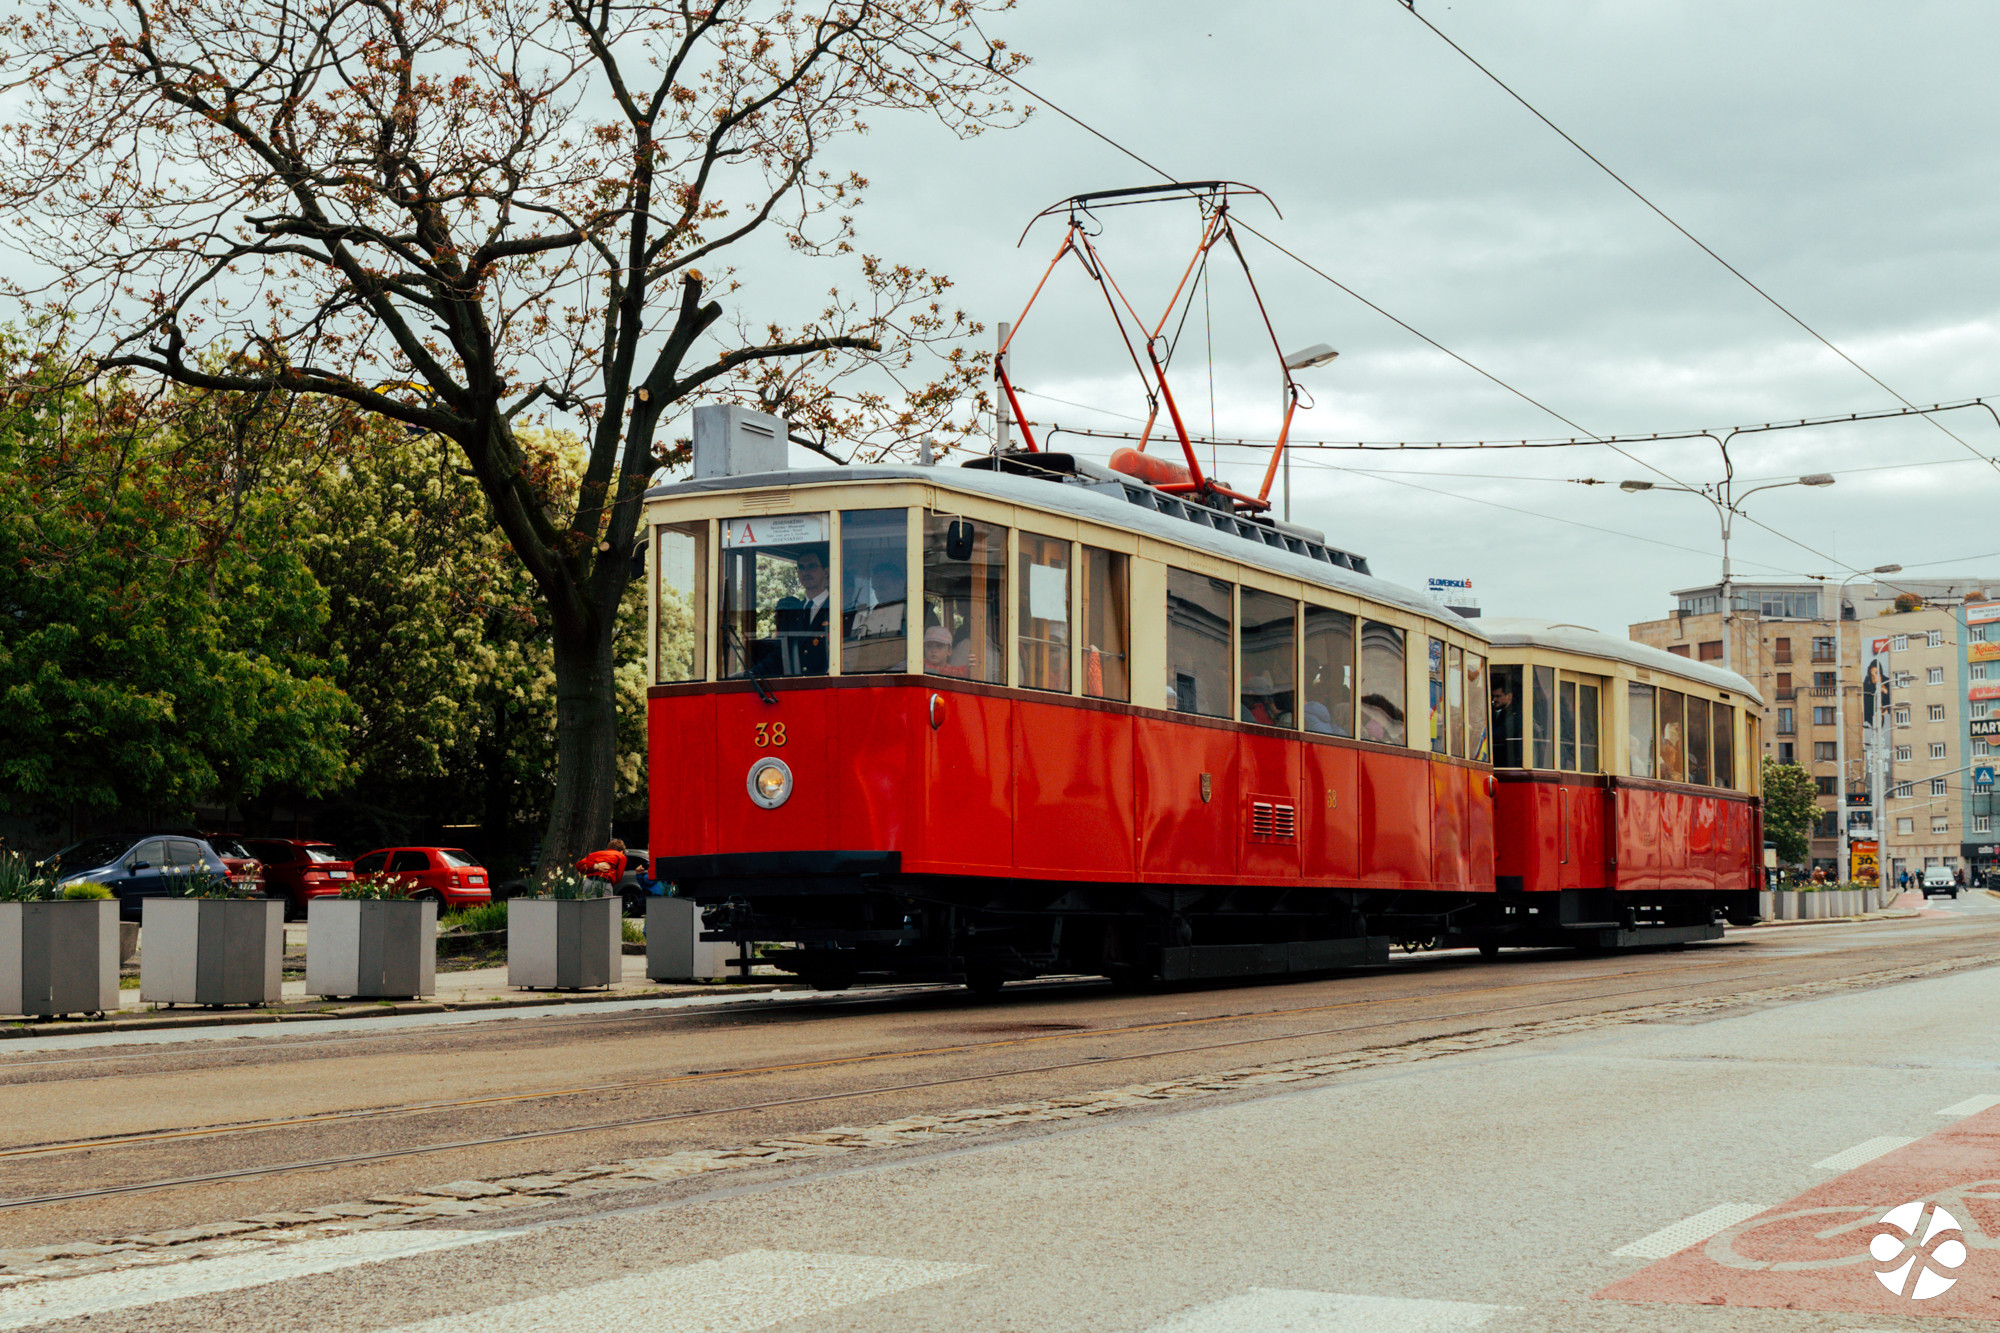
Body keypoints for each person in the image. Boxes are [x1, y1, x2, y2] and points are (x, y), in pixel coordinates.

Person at [773, 545, 832, 674]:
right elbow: (780, 654)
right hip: (795, 686)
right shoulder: (792, 612)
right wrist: (750, 674)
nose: (805, 572)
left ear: (826, 572)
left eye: (812, 566)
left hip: (827, 686)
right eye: (801, 568)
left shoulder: (838, 608)